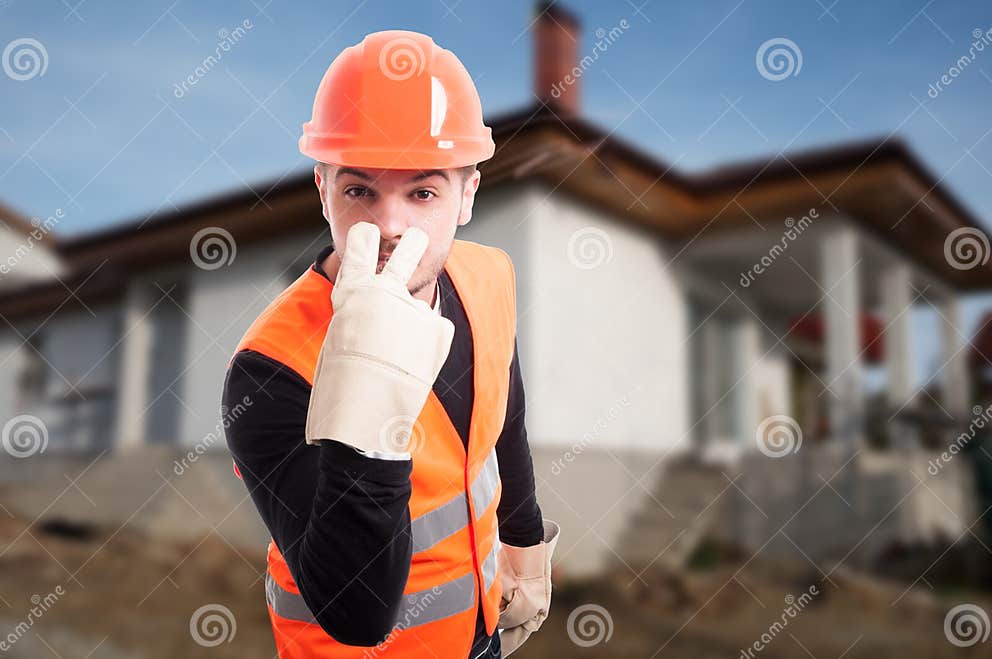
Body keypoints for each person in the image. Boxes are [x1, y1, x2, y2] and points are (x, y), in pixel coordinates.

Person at [222, 29, 559, 658]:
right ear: (323, 191)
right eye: (359, 191)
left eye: (423, 191)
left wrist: (525, 544)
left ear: (467, 196)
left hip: (484, 632)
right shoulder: (269, 371)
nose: (391, 226)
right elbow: (356, 611)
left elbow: (502, 417)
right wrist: (368, 390)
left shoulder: (488, 276)